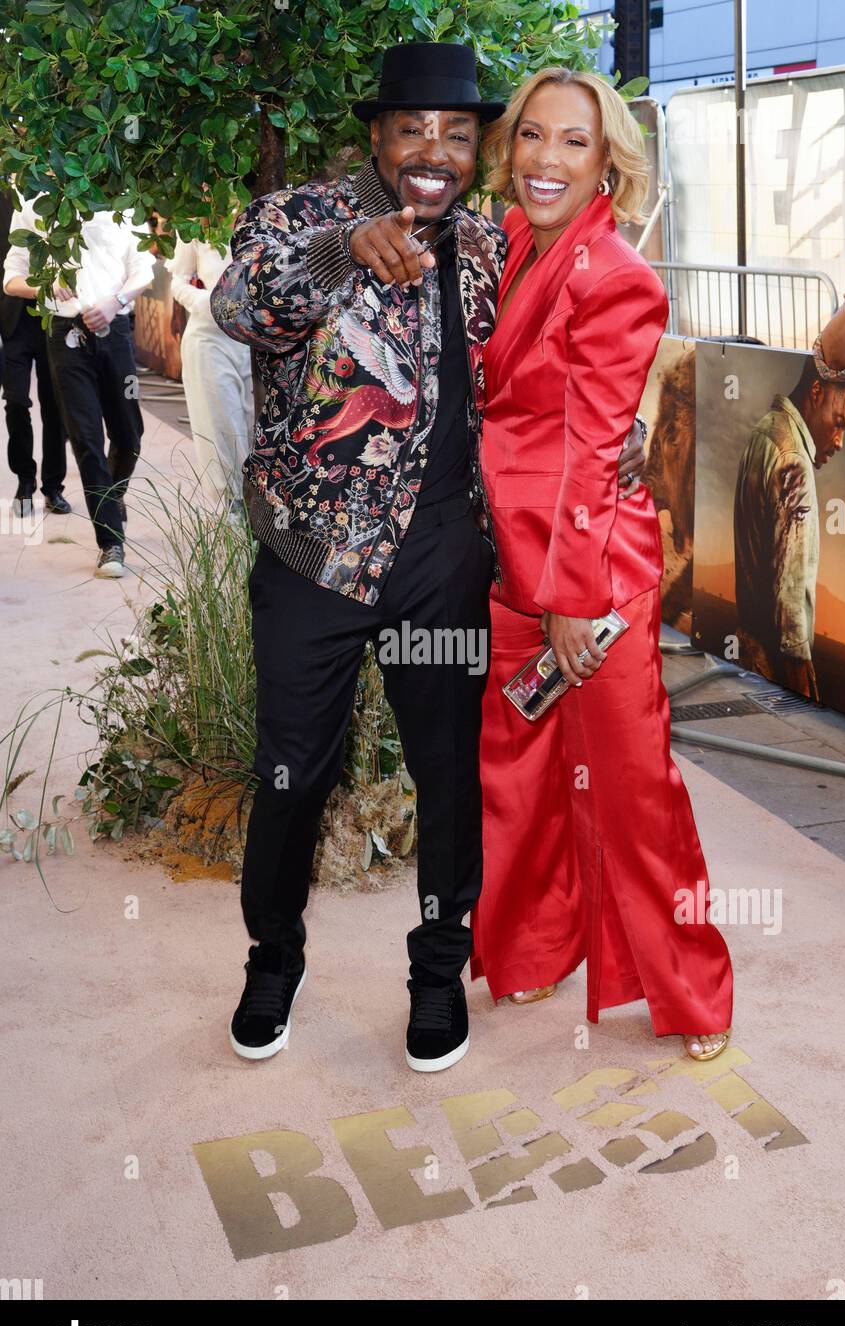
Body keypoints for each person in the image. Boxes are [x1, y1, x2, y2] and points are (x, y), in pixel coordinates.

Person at [211, 41, 649, 1072]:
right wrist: (344, 253)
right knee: (290, 775)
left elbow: (542, 380)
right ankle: (272, 959)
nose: (434, 152)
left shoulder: (493, 248)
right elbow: (238, 305)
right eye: (413, 129)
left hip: (440, 560)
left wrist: (615, 430)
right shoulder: (298, 218)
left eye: (457, 136)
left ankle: (436, 971)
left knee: (448, 774)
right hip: (311, 554)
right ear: (376, 134)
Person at [468, 67, 734, 1062]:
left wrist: (573, 596)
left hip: (589, 571)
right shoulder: (497, 246)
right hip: (508, 561)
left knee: (632, 785)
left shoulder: (616, 274)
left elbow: (591, 440)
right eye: (531, 136)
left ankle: (691, 990)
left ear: (605, 163)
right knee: (522, 770)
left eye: (571, 143)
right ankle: (533, 946)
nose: (545, 159)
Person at [3, 201, 155, 577]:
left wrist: (116, 301)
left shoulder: (123, 201)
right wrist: (47, 286)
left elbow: (144, 271)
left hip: (116, 331)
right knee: (86, 440)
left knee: (130, 434)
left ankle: (113, 495)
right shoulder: (34, 204)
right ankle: (110, 543)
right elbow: (11, 278)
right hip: (63, 335)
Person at [734, 360, 845, 700]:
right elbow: (791, 582)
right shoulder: (793, 460)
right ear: (816, 392)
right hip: (774, 663)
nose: (840, 441)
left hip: (748, 651)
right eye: (839, 422)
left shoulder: (765, 430)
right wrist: (799, 670)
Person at [165, 227, 253, 510]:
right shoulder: (196, 220)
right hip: (211, 338)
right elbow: (177, 281)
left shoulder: (271, 207)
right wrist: (207, 303)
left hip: (261, 344)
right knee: (221, 432)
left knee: (254, 434)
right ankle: (229, 528)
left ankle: (259, 532)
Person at [0, 184, 68, 516]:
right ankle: (24, 480)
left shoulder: (61, 193)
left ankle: (53, 487)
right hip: (12, 315)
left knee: (56, 406)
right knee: (15, 402)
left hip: (55, 315)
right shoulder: (5, 193)